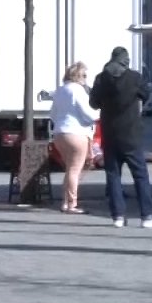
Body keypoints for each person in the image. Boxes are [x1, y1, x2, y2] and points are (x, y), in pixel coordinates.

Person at [89, 46, 152, 229]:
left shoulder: (101, 78)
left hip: (109, 132)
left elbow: (93, 103)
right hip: (131, 133)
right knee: (140, 175)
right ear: (126, 59)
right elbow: (146, 94)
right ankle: (147, 215)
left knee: (113, 175)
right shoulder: (134, 77)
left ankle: (118, 216)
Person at [50, 62, 98, 214]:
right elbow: (88, 113)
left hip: (59, 133)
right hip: (76, 133)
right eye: (84, 75)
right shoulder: (78, 91)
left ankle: (66, 202)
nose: (85, 79)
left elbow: (52, 114)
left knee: (70, 168)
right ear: (77, 75)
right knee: (75, 169)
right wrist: (98, 114)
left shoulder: (60, 90)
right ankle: (72, 204)